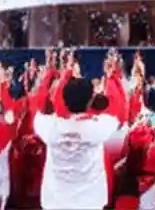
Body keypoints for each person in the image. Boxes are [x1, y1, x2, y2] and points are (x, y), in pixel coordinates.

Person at [34, 68, 121, 210]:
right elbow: (116, 110)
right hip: (90, 203)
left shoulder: (51, 128)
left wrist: (53, 74)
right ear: (90, 101)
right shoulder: (98, 127)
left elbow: (40, 108)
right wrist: (111, 77)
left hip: (56, 203)